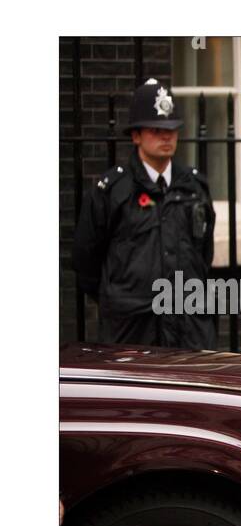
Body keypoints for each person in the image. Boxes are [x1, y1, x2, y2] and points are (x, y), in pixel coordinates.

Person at [73, 78, 215, 348]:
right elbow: (86, 261)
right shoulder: (113, 191)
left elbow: (203, 254)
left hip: (189, 331)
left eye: (172, 129)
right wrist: (122, 299)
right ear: (136, 135)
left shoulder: (194, 187)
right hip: (133, 331)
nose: (166, 136)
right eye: (156, 129)